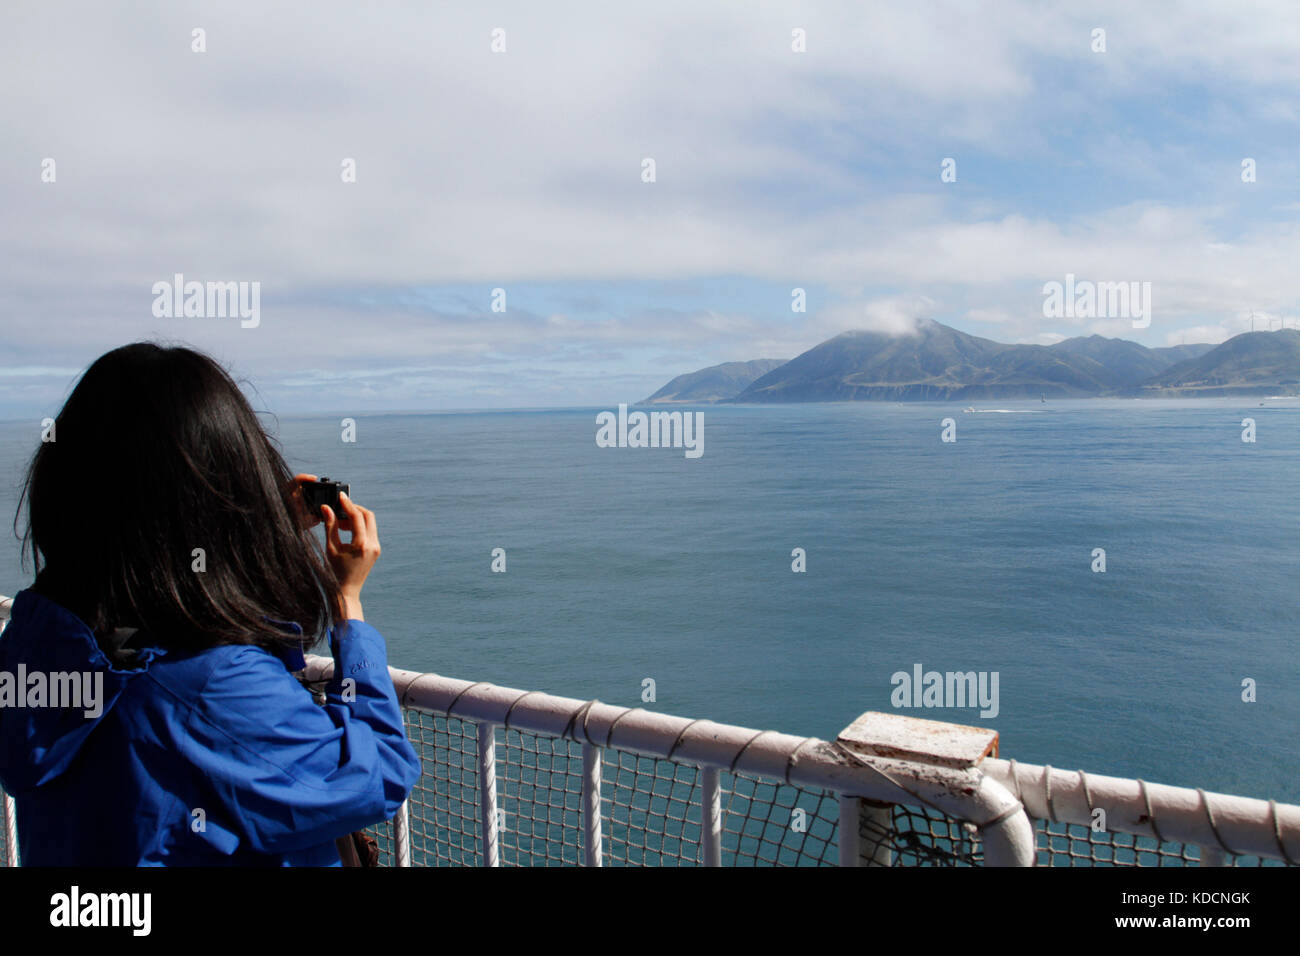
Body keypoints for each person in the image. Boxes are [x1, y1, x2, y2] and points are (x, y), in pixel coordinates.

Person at [0, 343, 420, 865]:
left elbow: (180, 623)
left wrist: (249, 546)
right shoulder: (210, 687)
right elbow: (377, 773)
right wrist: (348, 607)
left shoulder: (37, 644)